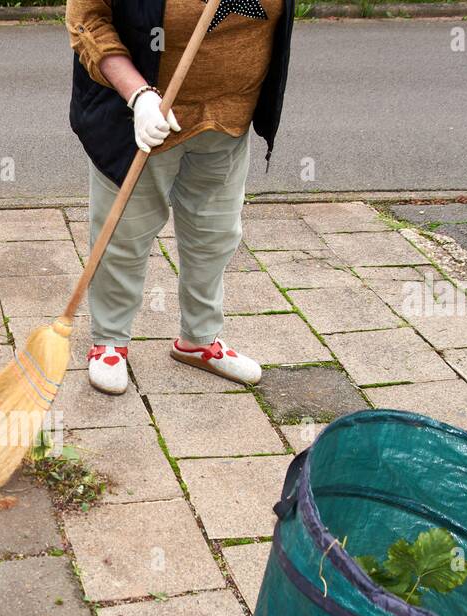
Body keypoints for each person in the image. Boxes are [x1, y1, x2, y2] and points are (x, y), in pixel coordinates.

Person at [66, 0, 295, 394]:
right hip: (142, 120)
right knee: (122, 235)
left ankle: (199, 340)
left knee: (215, 234)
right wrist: (138, 96)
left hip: (230, 117)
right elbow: (87, 19)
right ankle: (110, 342)